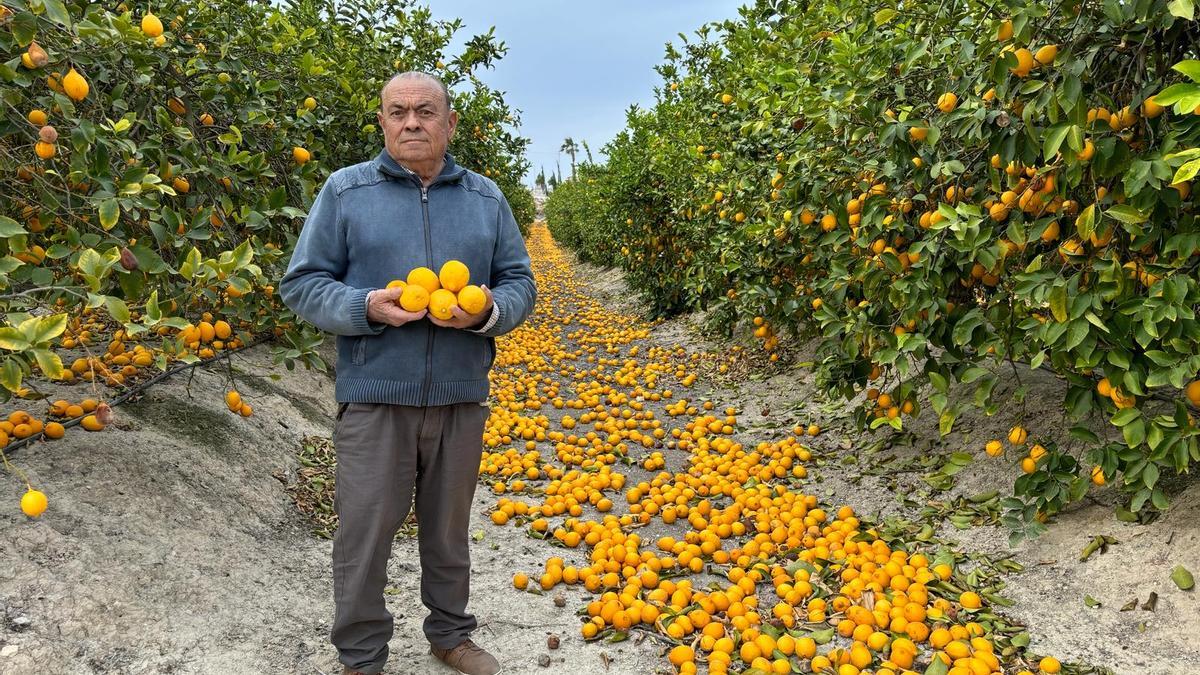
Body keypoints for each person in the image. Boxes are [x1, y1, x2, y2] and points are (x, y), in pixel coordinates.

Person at [279, 71, 536, 675]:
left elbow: (520, 282)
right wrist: (364, 307)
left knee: (448, 532)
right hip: (375, 397)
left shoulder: (485, 199)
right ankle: (362, 656)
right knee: (365, 535)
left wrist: (487, 314)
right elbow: (303, 283)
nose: (412, 122)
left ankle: (450, 635)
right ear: (383, 123)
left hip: (459, 395)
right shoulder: (346, 192)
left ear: (450, 124)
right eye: (398, 112)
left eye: (425, 111)